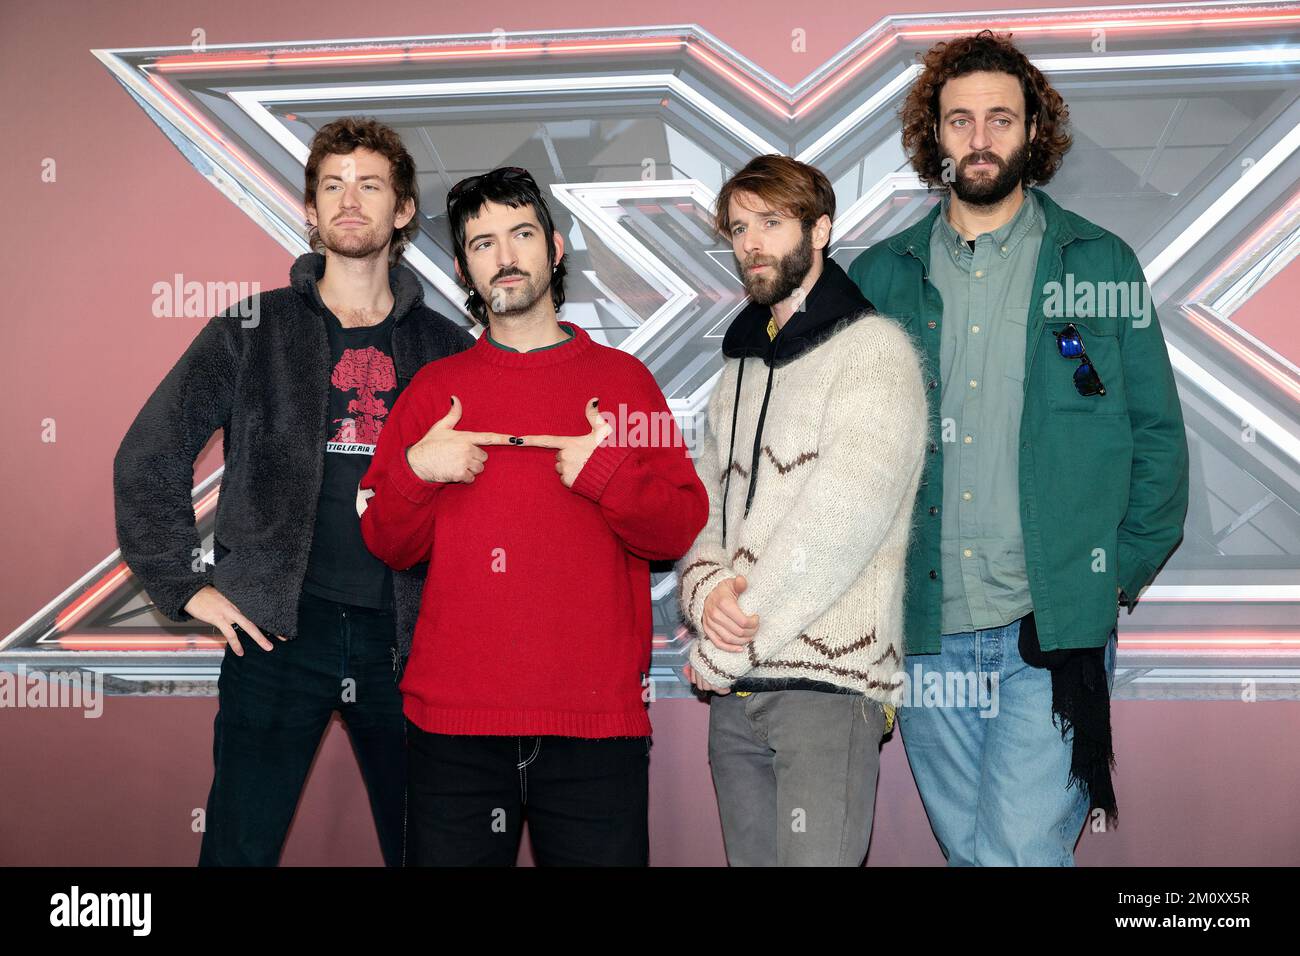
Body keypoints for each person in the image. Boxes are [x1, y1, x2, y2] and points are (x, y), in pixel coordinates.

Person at [848, 29, 1189, 865]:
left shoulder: (1100, 263)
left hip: (1055, 626)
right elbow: (843, 453)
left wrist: (1115, 575)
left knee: (1016, 857)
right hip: (924, 627)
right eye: (959, 120)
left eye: (1001, 118)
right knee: (976, 856)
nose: (980, 137)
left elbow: (1157, 436)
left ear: (1034, 131)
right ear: (936, 135)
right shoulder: (879, 276)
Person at [113, 117, 474, 865]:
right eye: (332, 186)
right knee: (239, 851)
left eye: (370, 185)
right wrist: (184, 584)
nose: (350, 201)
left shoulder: (446, 350)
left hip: (408, 643)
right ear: (310, 211)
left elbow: (488, 500)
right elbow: (150, 454)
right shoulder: (253, 328)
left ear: (402, 210)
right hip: (277, 631)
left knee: (434, 852)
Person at [358, 165, 709, 866]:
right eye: (483, 243)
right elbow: (389, 544)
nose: (505, 256)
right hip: (453, 729)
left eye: (520, 234)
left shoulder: (623, 382)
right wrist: (418, 472)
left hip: (594, 728)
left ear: (553, 248)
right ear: (464, 267)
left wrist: (607, 474)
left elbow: (678, 527)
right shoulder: (435, 390)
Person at [678, 154, 928, 866]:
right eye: (738, 228)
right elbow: (704, 504)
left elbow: (838, 525)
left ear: (820, 229)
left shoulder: (874, 352)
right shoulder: (740, 367)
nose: (751, 242)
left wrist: (724, 644)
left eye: (772, 222)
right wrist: (703, 592)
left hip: (826, 687)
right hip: (735, 692)